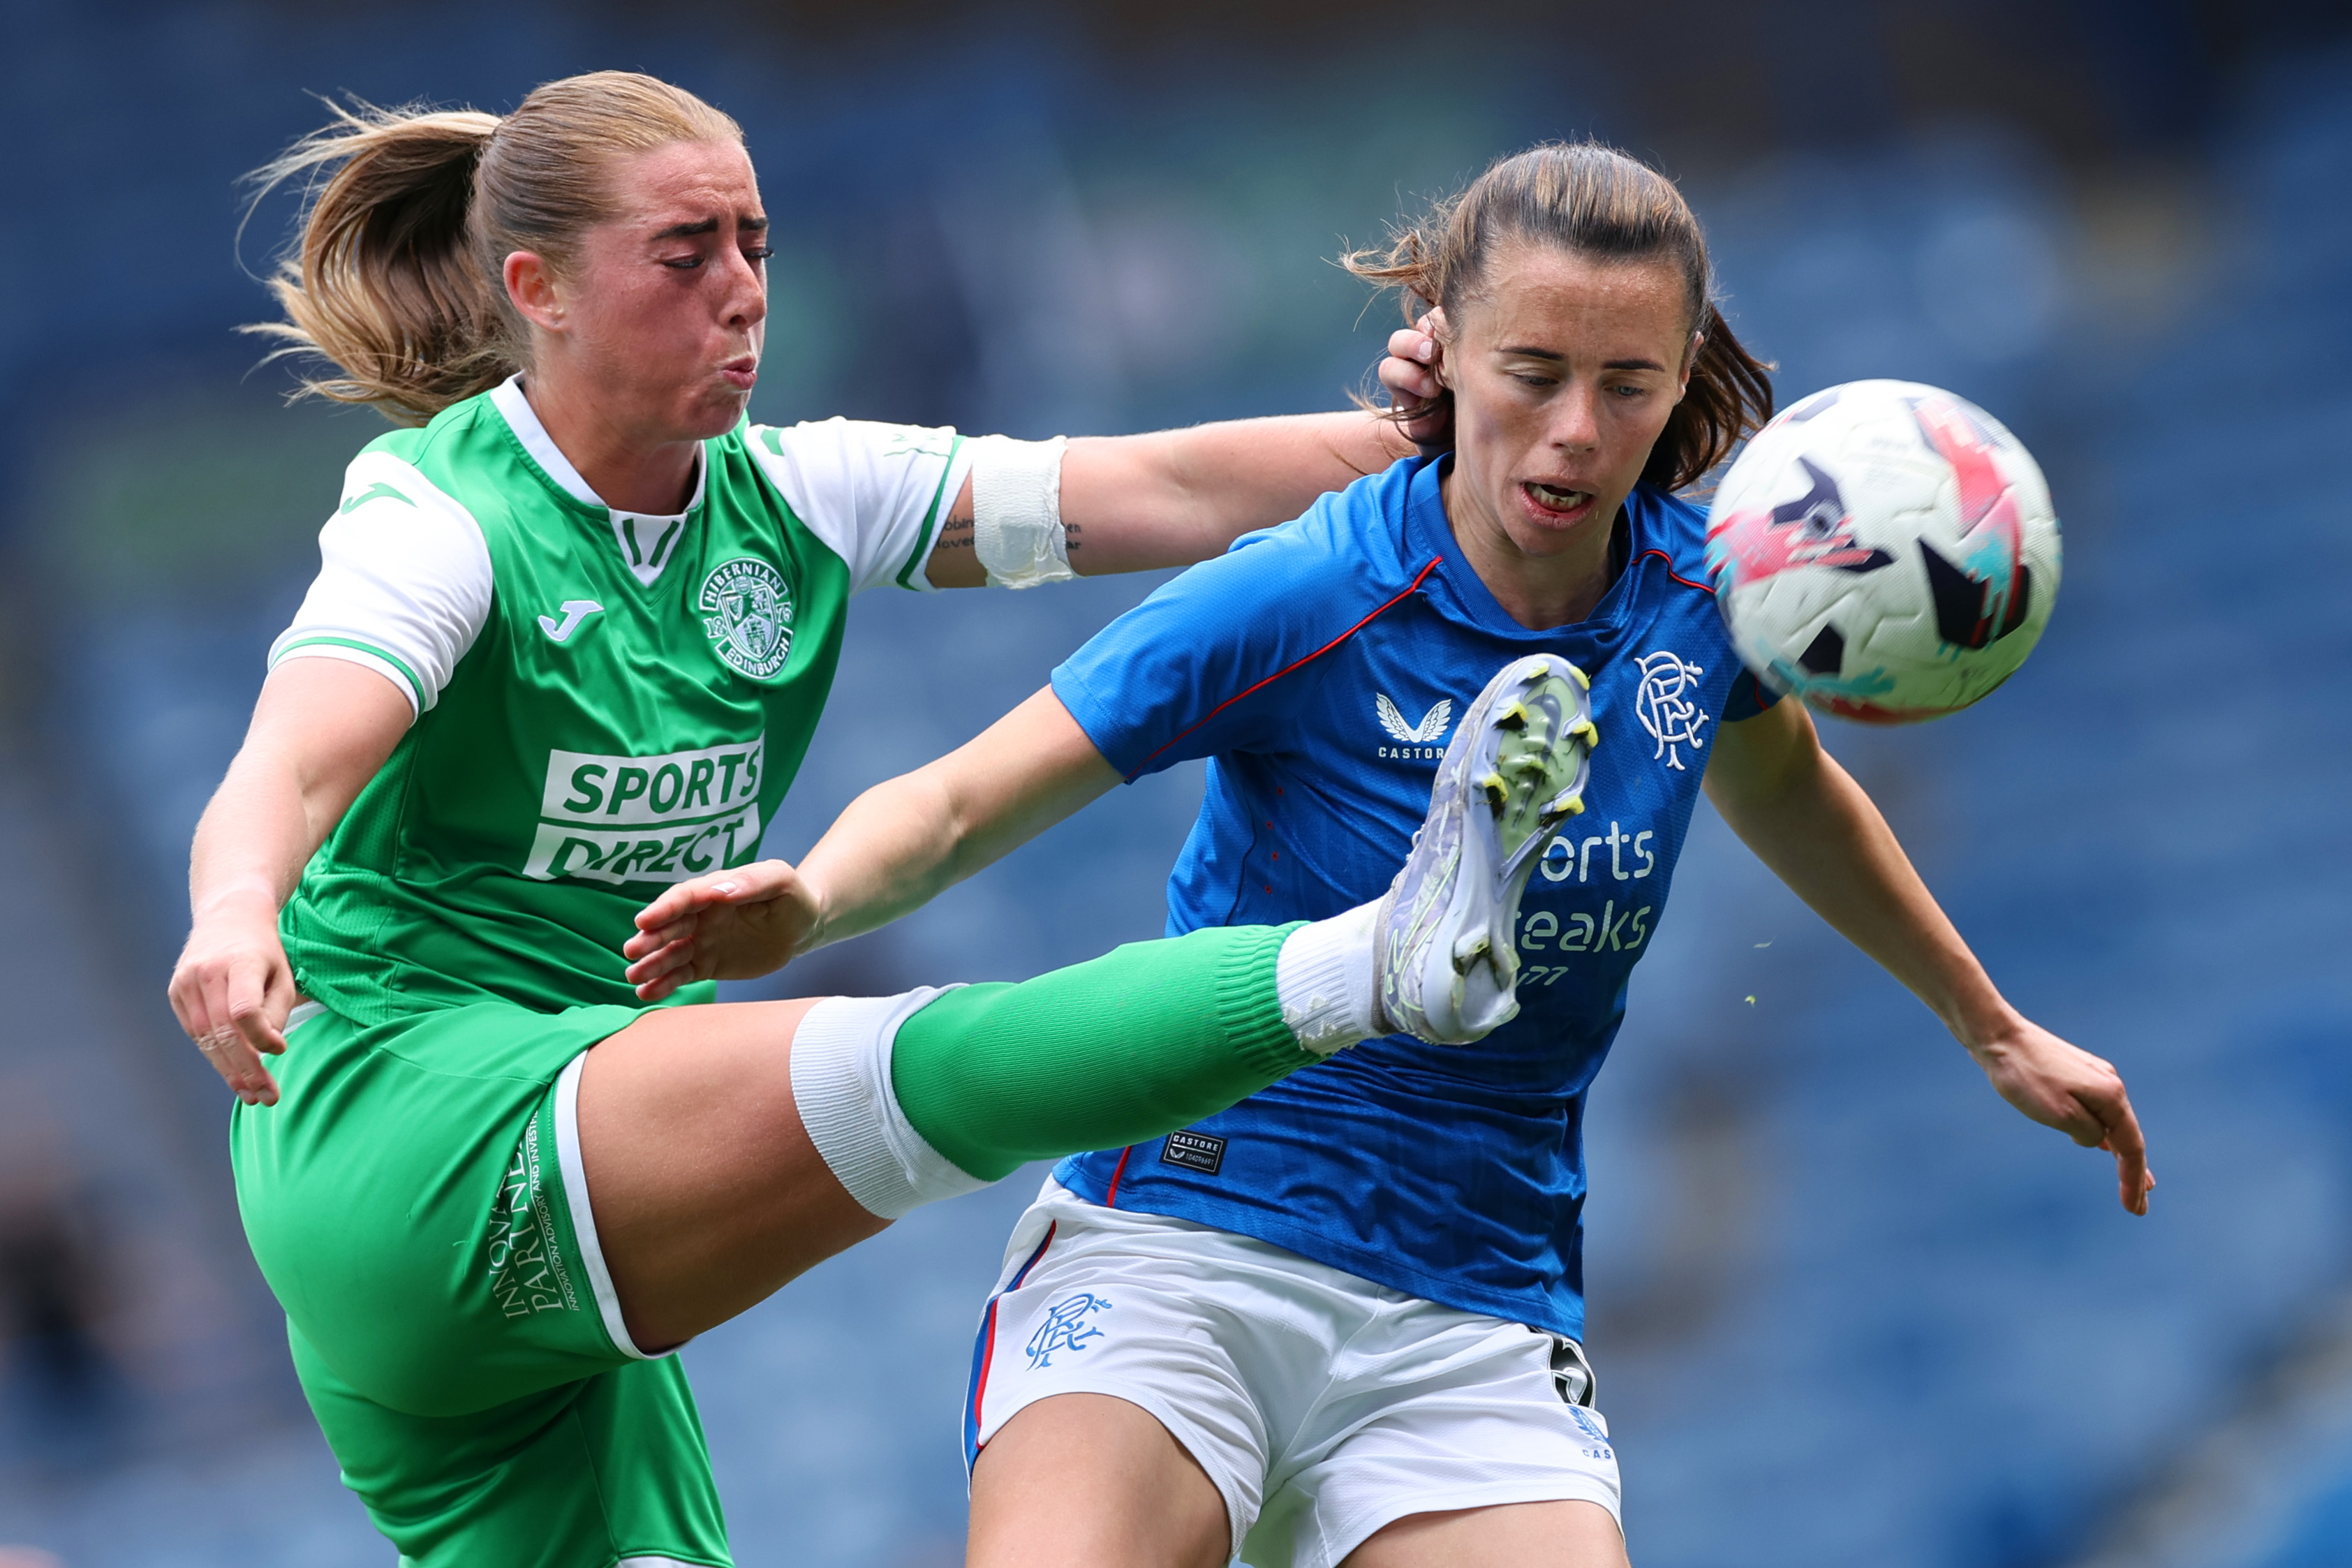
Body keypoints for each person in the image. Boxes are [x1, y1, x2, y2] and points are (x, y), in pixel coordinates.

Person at [623, 142, 2155, 1568]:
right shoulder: (1308, 589)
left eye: (1624, 386)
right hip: (1179, 1251)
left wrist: (1987, 1022)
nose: (1571, 431)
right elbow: (967, 797)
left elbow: (1788, 784)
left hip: (1471, 1311)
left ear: (1681, 376)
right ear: (1446, 352)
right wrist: (813, 895)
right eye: (1532, 373)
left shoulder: (1712, 597)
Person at [164, 69, 1478, 1568]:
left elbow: (1172, 485)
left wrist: (1451, 435)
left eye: (756, 244)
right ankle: (1385, 959)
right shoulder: (441, 519)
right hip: (409, 1125)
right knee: (918, 1067)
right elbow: (291, 761)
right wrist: (231, 907)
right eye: (685, 253)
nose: (741, 292)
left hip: (566, 1192)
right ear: (538, 289)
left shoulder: (796, 494)